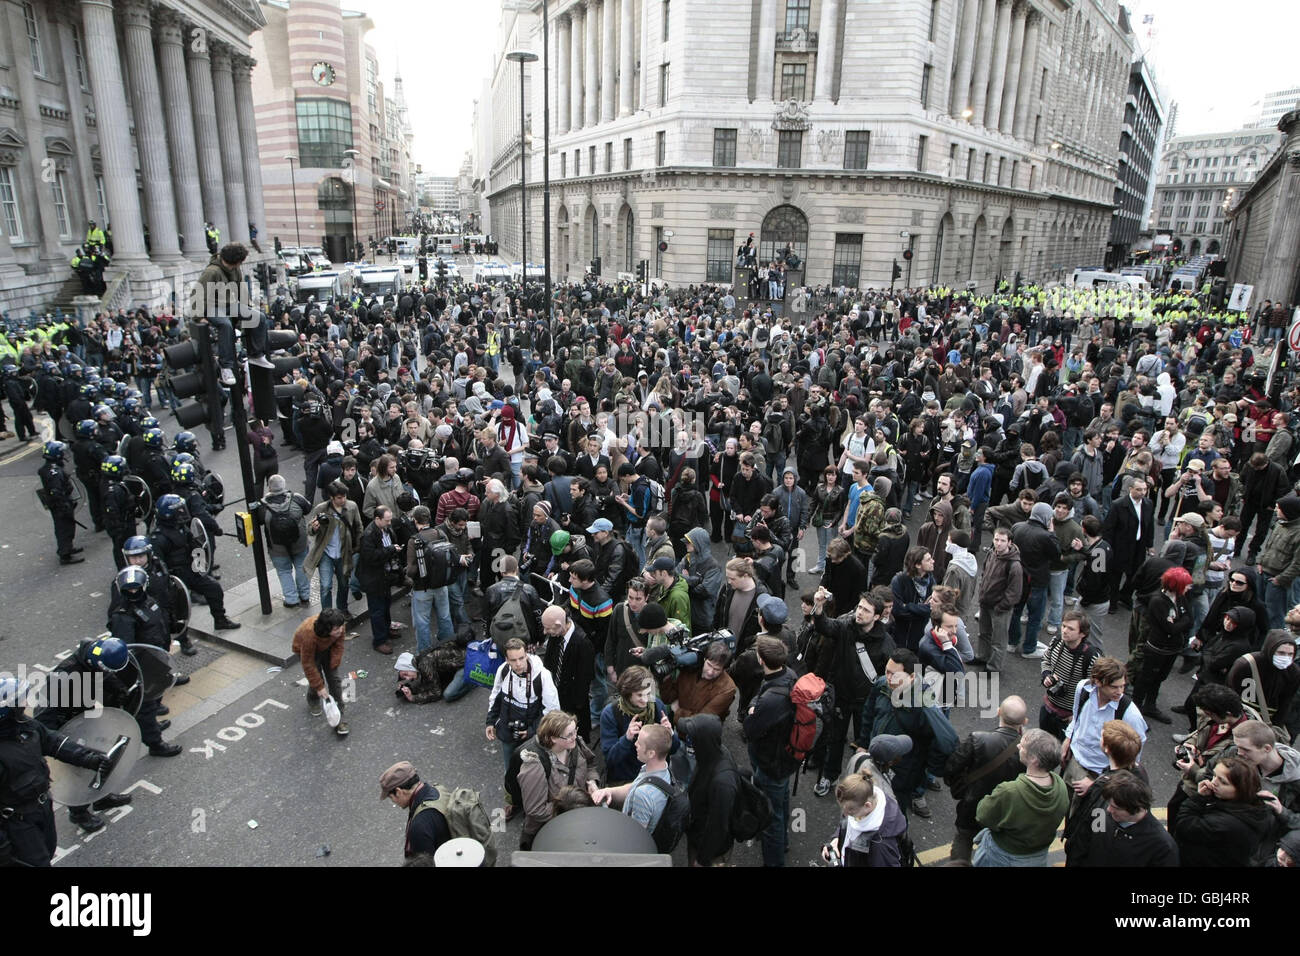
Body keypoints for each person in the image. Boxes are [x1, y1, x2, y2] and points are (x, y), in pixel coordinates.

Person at [0, 677, 120, 866]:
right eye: (19, 701)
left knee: (48, 850)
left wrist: (89, 758)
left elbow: (54, 742)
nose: (24, 703)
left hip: (42, 806)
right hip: (17, 821)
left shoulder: (24, 726)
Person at [809, 589, 894, 797]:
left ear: (877, 616)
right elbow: (824, 626)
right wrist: (818, 607)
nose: (860, 613)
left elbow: (889, 675)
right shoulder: (846, 627)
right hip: (841, 696)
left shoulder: (886, 643)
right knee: (835, 738)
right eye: (859, 607)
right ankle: (829, 775)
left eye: (866, 610)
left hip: (867, 701)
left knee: (863, 742)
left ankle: (861, 783)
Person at [943, 696, 1028, 863]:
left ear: (998, 712)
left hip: (971, 806)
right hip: (1004, 812)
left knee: (963, 839)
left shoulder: (978, 739)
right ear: (1024, 721)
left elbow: (952, 767)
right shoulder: (1027, 751)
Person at [972, 729, 1070, 867]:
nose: (1018, 746)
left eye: (1023, 746)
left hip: (1003, 856)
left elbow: (983, 815)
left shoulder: (1009, 791)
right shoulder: (1060, 786)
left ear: (1034, 759)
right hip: (1037, 855)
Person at [743, 636, 799, 866]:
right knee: (782, 800)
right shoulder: (790, 675)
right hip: (785, 756)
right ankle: (784, 840)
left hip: (770, 760)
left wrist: (752, 709)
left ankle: (774, 859)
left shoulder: (771, 700)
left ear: (761, 660)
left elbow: (750, 729)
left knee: (771, 818)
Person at [151, 494, 240, 630]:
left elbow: (194, 545)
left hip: (190, 570)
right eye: (178, 510)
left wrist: (200, 563)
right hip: (174, 578)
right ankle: (183, 639)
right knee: (178, 610)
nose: (182, 512)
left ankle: (220, 620)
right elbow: (158, 565)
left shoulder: (180, 527)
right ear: (169, 514)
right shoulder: (158, 538)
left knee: (214, 588)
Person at [516, 710, 599, 851]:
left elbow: (590, 764)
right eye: (569, 735)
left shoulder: (574, 744)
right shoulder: (535, 766)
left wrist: (592, 782)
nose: (575, 736)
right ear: (553, 738)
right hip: (550, 830)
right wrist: (569, 808)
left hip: (577, 820)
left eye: (575, 730)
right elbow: (535, 810)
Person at [1171, 756, 1273, 868]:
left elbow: (1185, 825)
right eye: (1214, 775)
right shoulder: (1253, 807)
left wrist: (1198, 798)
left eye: (1223, 782)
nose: (1214, 782)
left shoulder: (1224, 823)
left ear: (1240, 789)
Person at [1061, 657, 1148, 785]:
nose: (1120, 692)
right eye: (1114, 687)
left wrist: (1100, 783)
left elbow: (1132, 757)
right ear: (1097, 682)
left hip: (1100, 773)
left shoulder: (1130, 714)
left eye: (1122, 686)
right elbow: (1076, 717)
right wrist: (1068, 739)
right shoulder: (1082, 688)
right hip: (1074, 760)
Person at [1073, 770, 1180, 867]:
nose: (1108, 810)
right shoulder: (1101, 814)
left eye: (1115, 808)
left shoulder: (1162, 847)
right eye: (1109, 804)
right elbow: (1081, 845)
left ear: (1135, 808)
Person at [1129, 566, 1193, 724]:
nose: (1189, 587)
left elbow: (1190, 619)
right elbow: (1169, 628)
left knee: (1159, 678)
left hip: (1172, 648)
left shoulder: (1181, 597)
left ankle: (1150, 706)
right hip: (1157, 648)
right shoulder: (1158, 600)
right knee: (1145, 678)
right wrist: (1180, 622)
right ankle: (1134, 711)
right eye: (1186, 584)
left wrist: (1178, 623)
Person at [589, 723, 677, 835]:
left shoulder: (643, 795)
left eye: (639, 743)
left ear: (651, 753)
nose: (635, 744)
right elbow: (635, 786)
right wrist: (609, 791)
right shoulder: (661, 769)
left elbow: (635, 836)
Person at [599, 665, 678, 785]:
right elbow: (610, 759)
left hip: (655, 775)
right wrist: (626, 739)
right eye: (640, 695)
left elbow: (673, 749)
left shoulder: (657, 706)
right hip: (625, 779)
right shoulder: (610, 713)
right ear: (627, 693)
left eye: (648, 694)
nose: (645, 700)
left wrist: (670, 734)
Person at [820, 763, 909, 867]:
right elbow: (848, 824)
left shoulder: (880, 845)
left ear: (867, 805)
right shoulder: (864, 801)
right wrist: (836, 839)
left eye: (850, 810)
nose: (845, 814)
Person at [1039, 611, 1102, 739]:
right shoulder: (1056, 641)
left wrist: (1079, 715)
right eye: (1063, 626)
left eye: (1071, 628)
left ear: (1082, 634)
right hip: (1048, 706)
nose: (1064, 631)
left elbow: (1095, 690)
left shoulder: (1091, 657)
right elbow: (1046, 660)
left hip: (1068, 717)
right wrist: (1046, 675)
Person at [305, 480, 363, 616]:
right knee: (326, 585)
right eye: (339, 497)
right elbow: (309, 529)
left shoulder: (352, 507)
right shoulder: (321, 509)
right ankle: (327, 614)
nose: (343, 500)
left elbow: (359, 526)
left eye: (344, 497)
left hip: (344, 552)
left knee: (344, 583)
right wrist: (313, 528)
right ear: (331, 497)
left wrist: (357, 547)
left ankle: (342, 609)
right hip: (326, 553)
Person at [1009, 501, 1060, 658]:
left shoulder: (1017, 527)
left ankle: (1012, 642)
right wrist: (1052, 532)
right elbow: (1056, 554)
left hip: (1018, 579)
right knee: (1035, 616)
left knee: (1016, 612)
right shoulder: (1045, 536)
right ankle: (1029, 648)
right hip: (1037, 582)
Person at [539, 605, 597, 743]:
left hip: (573, 701)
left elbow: (585, 677)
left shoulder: (582, 643)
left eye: (548, 628)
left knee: (576, 736)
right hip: (556, 694)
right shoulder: (557, 633)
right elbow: (549, 660)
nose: (545, 631)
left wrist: (578, 703)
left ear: (559, 625)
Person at [1227, 630, 1298, 737]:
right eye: (1281, 653)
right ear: (1271, 649)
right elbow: (1230, 691)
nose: (1285, 658)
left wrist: (1274, 728)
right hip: (1237, 717)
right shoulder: (1246, 664)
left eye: (1290, 654)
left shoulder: (1293, 673)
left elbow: (1285, 702)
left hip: (1265, 723)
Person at [293, 609, 350, 737]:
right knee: (317, 680)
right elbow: (308, 664)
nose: (340, 631)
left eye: (341, 627)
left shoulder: (339, 624)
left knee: (334, 681)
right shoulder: (309, 635)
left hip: (327, 648)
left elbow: (339, 644)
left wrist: (333, 663)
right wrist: (319, 686)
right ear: (326, 629)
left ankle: (339, 716)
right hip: (307, 651)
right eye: (336, 629)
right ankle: (312, 698)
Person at [1101, 476, 1155, 611]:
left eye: (1144, 489)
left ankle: (1125, 596)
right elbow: (1109, 528)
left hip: (1139, 546)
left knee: (1135, 574)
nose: (1142, 493)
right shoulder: (1118, 505)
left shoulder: (1148, 504)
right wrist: (1108, 548)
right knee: (1115, 576)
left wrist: (1150, 544)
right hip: (1120, 546)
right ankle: (1112, 601)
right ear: (1130, 489)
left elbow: (1149, 525)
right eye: (1139, 490)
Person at [379, 761, 452, 860]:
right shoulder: (438, 791)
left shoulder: (419, 826)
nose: (394, 802)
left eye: (391, 798)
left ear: (398, 791)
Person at [261, 474, 313, 609]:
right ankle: (305, 596)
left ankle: (291, 599)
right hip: (300, 543)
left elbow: (258, 520)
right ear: (284, 485)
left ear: (270, 488)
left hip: (277, 548)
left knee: (284, 571)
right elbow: (308, 509)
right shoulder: (296, 498)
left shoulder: (263, 506)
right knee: (302, 567)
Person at [976, 527, 1023, 671]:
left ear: (1009, 542)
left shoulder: (1014, 565)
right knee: (983, 634)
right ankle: (982, 657)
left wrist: (1000, 606)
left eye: (1003, 540)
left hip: (999, 608)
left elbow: (1014, 592)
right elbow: (984, 573)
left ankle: (993, 667)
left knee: (998, 641)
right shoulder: (991, 554)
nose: (998, 543)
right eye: (996, 539)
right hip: (985, 603)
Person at [37, 441, 84, 565]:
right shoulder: (55, 472)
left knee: (67, 527)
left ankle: (68, 547)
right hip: (61, 505)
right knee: (64, 529)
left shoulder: (48, 468)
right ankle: (65, 555)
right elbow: (56, 491)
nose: (64, 454)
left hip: (58, 504)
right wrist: (64, 506)